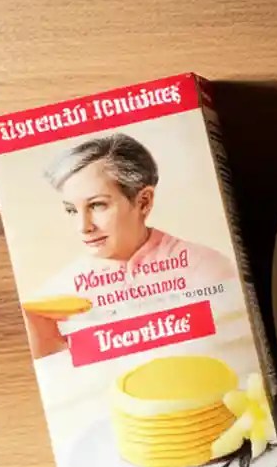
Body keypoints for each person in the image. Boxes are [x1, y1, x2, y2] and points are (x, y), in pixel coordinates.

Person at [23, 133, 235, 359]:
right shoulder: (56, 294)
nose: (83, 227)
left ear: (143, 201)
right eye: (71, 210)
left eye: (97, 205)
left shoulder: (208, 270)